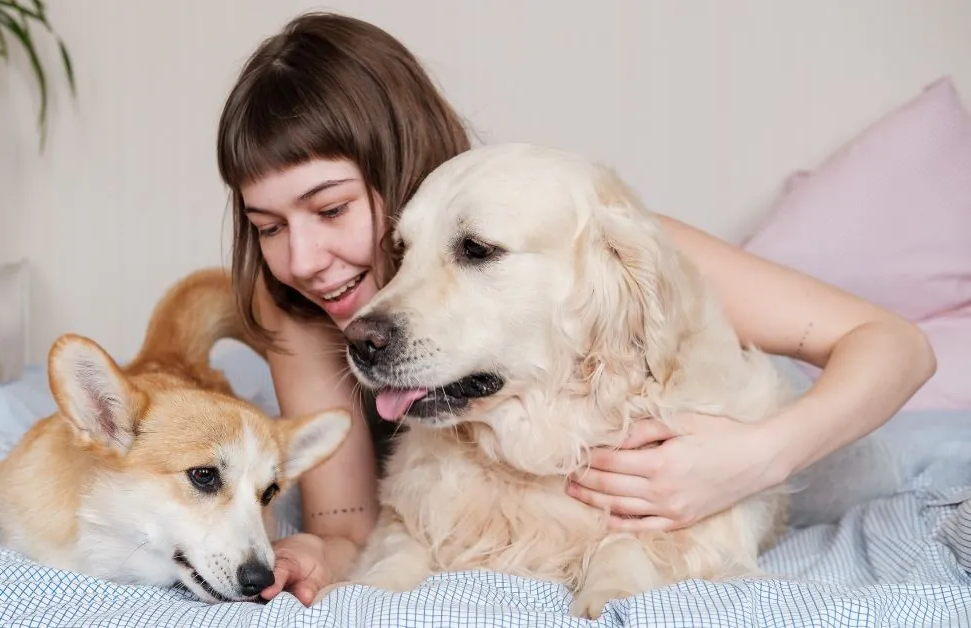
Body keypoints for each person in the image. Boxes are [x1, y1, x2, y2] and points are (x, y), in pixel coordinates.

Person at [214, 11, 937, 606]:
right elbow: (348, 523)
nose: (302, 258)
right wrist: (317, 550)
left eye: (331, 208)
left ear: (400, 167)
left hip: (752, 417)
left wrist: (754, 458)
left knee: (866, 465)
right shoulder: (296, 306)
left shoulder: (599, 233)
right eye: (268, 226)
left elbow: (893, 344)